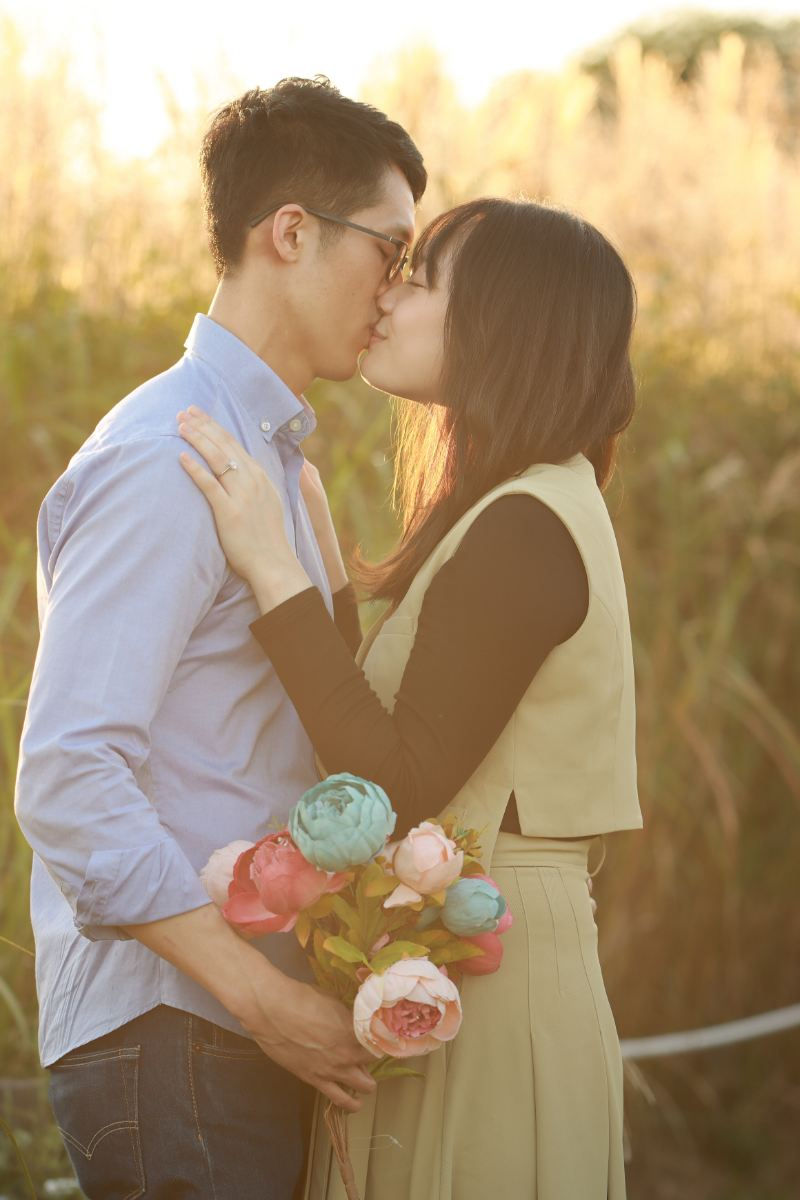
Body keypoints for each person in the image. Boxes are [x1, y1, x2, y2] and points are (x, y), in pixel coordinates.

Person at [176, 195, 643, 1200]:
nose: (390, 293)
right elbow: (418, 727)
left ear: (505, 321)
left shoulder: (526, 524)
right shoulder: (522, 505)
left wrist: (273, 576)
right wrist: (323, 579)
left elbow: (393, 783)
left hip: (496, 980)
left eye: (422, 276)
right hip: (461, 959)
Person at [13, 77, 426, 1200]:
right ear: (289, 233)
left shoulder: (273, 466)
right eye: (388, 250)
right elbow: (65, 776)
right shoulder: (169, 457)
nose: (395, 291)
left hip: (224, 1034)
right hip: (181, 1032)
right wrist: (264, 998)